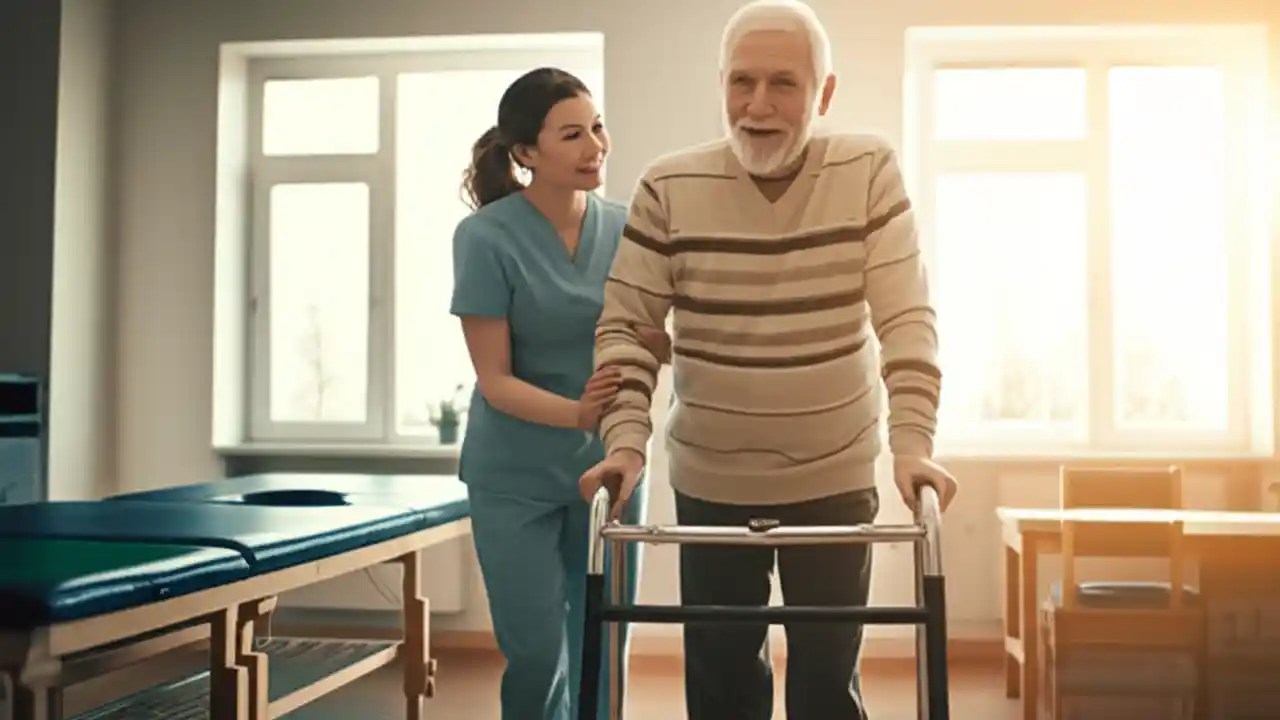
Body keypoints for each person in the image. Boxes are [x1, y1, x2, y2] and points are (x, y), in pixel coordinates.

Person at [577, 2, 959, 719]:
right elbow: (628, 329)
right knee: (723, 690)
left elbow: (906, 318)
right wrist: (626, 444)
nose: (757, 105)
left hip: (835, 475)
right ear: (720, 84)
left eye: (783, 83)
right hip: (713, 480)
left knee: (824, 689)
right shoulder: (669, 186)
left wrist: (914, 447)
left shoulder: (868, 169)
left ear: (825, 92)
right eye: (741, 82)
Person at [449, 67, 666, 720]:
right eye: (572, 134)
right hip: (514, 472)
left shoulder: (631, 228)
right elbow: (495, 379)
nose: (595, 145)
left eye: (596, 127)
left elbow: (654, 338)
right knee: (540, 652)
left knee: (604, 639)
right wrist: (579, 411)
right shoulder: (485, 237)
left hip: (611, 469)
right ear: (524, 153)